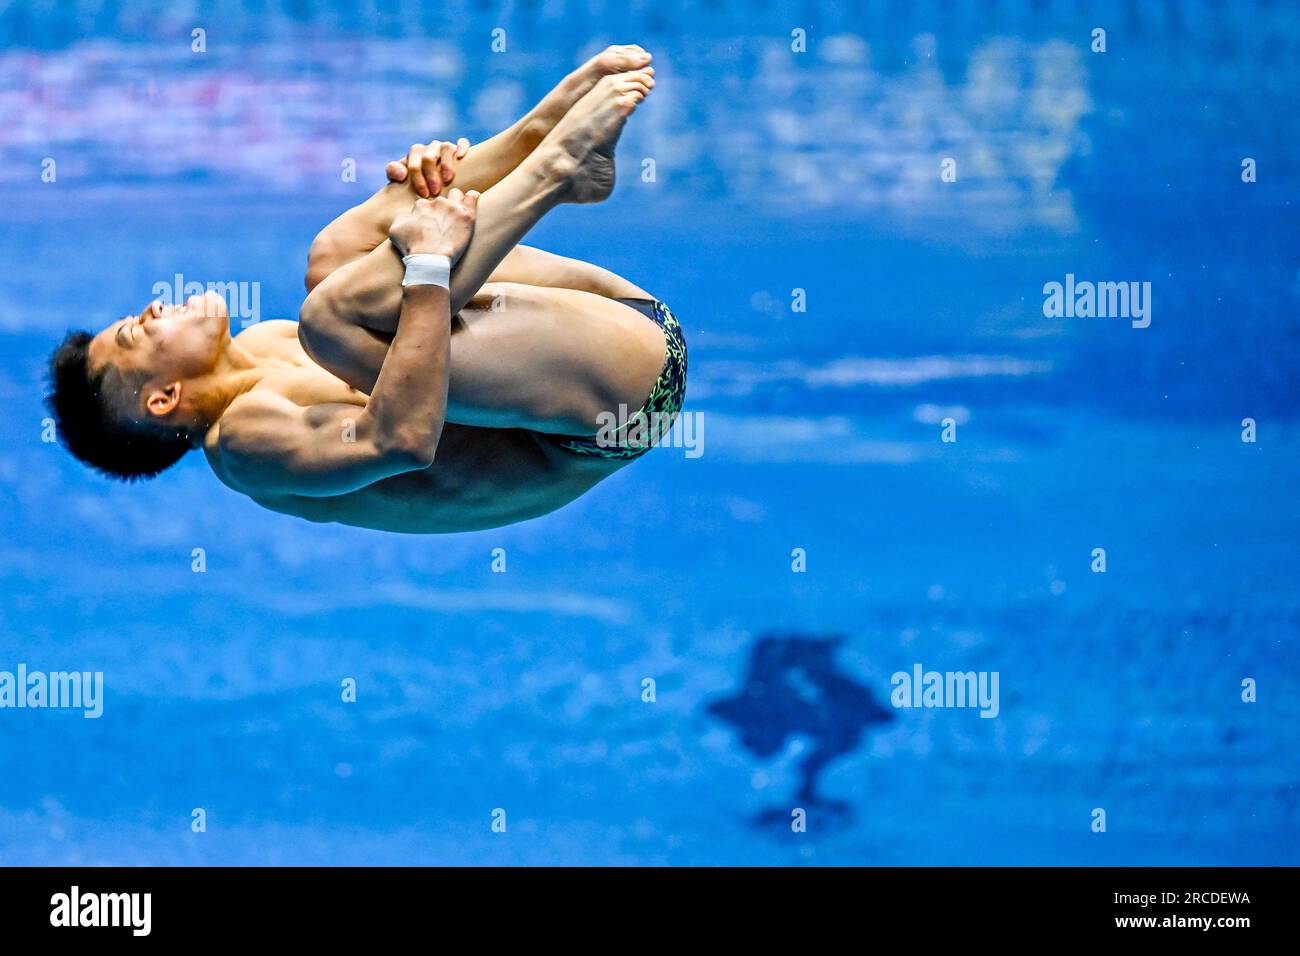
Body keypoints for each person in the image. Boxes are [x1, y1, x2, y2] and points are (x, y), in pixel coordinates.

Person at [46, 47, 686, 533]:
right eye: (137, 330)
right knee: (333, 314)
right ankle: (555, 169)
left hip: (619, 318)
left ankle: (536, 142)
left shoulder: (266, 343)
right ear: (163, 400)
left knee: (332, 264)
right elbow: (402, 439)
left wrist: (414, 202)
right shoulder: (245, 444)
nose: (153, 308)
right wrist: (429, 264)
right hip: (620, 406)